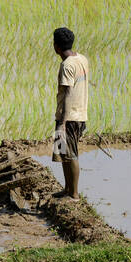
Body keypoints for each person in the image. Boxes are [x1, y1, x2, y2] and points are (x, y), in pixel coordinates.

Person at [52, 26, 88, 199]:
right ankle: (67, 189)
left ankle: (73, 194)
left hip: (69, 117)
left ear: (57, 46)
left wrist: (63, 122)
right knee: (64, 153)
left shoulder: (66, 66)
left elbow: (67, 94)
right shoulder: (81, 58)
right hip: (79, 113)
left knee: (71, 154)